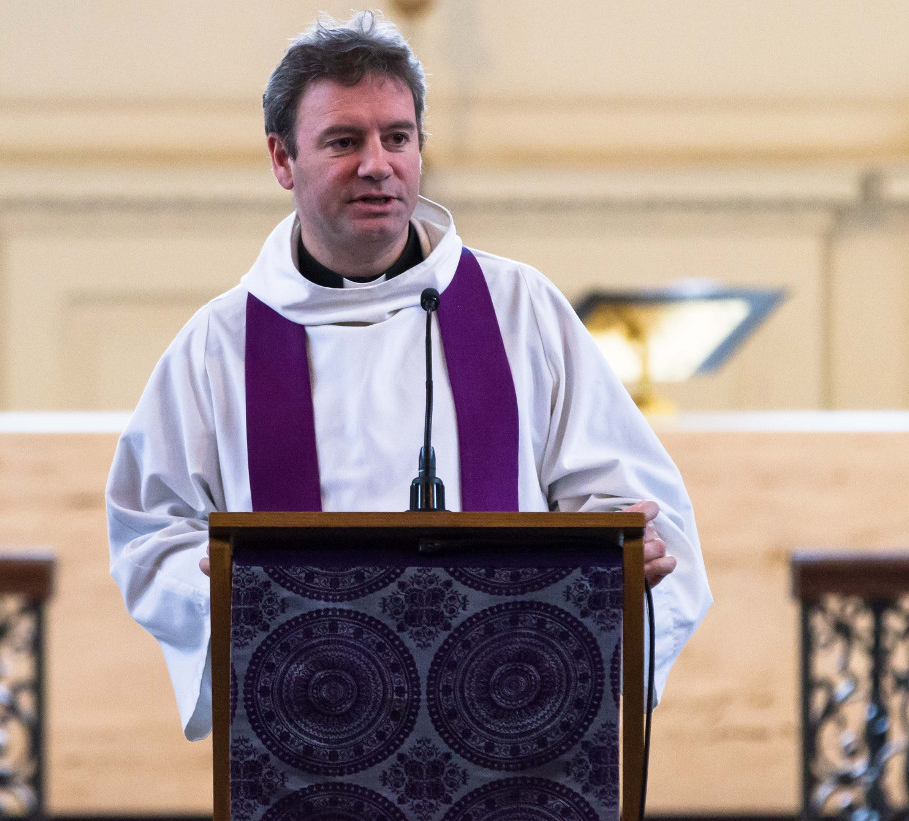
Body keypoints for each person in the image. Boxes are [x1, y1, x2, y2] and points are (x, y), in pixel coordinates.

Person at [106, 11, 711, 741]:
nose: (377, 164)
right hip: (309, 727)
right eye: (343, 141)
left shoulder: (517, 309)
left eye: (398, 136)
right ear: (281, 158)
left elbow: (635, 505)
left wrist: (614, 561)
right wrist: (217, 584)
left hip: (508, 715)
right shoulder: (222, 343)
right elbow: (148, 527)